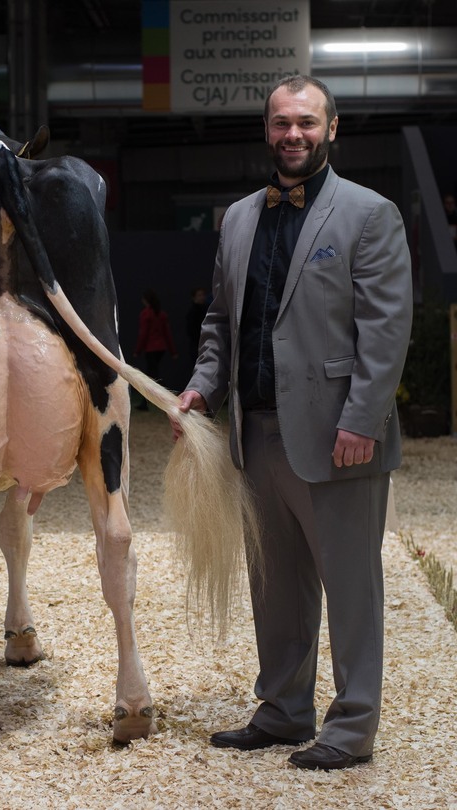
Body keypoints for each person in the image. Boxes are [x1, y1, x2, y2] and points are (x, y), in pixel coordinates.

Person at [173, 75, 412, 770]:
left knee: (351, 589)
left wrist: (362, 419)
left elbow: (386, 331)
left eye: (307, 122)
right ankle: (283, 711)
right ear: (267, 130)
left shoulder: (370, 214)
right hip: (254, 436)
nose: (293, 134)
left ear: (331, 128)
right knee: (275, 589)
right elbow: (221, 321)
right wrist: (202, 388)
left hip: (341, 438)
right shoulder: (238, 218)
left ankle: (352, 728)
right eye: (282, 122)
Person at [133, 289, 177, 410]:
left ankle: (152, 401)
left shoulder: (146, 314)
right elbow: (167, 334)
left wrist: (137, 351)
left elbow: (143, 334)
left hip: (151, 349)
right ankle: (149, 402)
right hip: (160, 349)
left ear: (145, 300)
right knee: (153, 376)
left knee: (152, 377)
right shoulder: (161, 314)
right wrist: (173, 351)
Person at [184, 286, 208, 357]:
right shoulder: (192, 312)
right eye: (199, 295)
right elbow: (191, 330)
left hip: (207, 344)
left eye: (203, 295)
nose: (202, 297)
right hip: (197, 345)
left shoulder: (208, 310)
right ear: (194, 297)